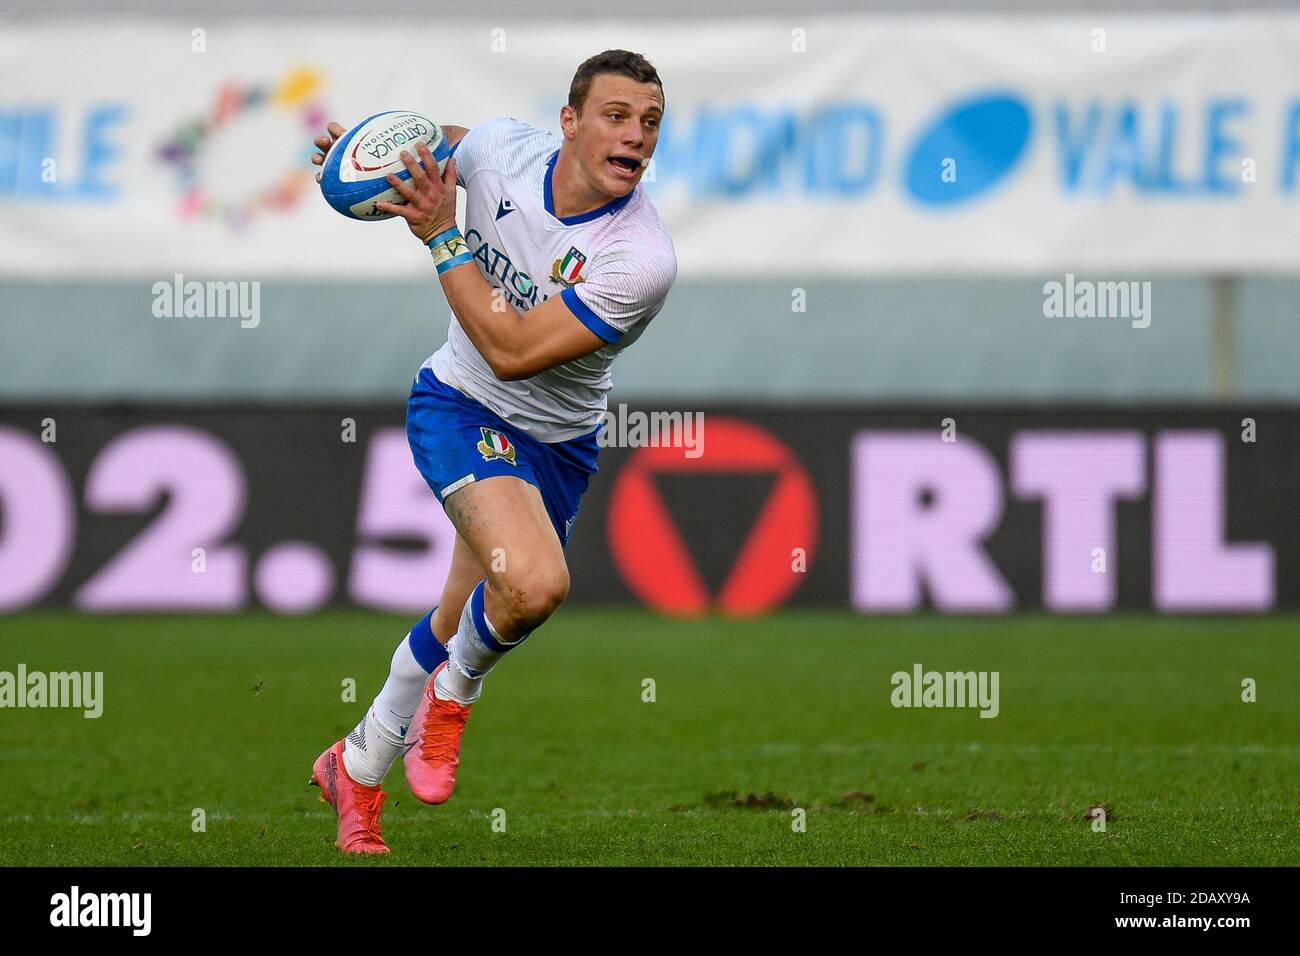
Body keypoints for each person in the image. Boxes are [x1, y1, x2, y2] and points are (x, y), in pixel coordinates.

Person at [307, 50, 678, 854]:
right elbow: (445, 145)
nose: (636, 136)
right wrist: (369, 157)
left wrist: (440, 235)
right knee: (537, 585)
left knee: (464, 612)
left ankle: (358, 767)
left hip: (559, 442)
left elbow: (515, 349)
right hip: (460, 403)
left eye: (650, 123)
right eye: (616, 116)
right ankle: (455, 694)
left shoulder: (639, 260)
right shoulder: (505, 150)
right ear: (569, 123)